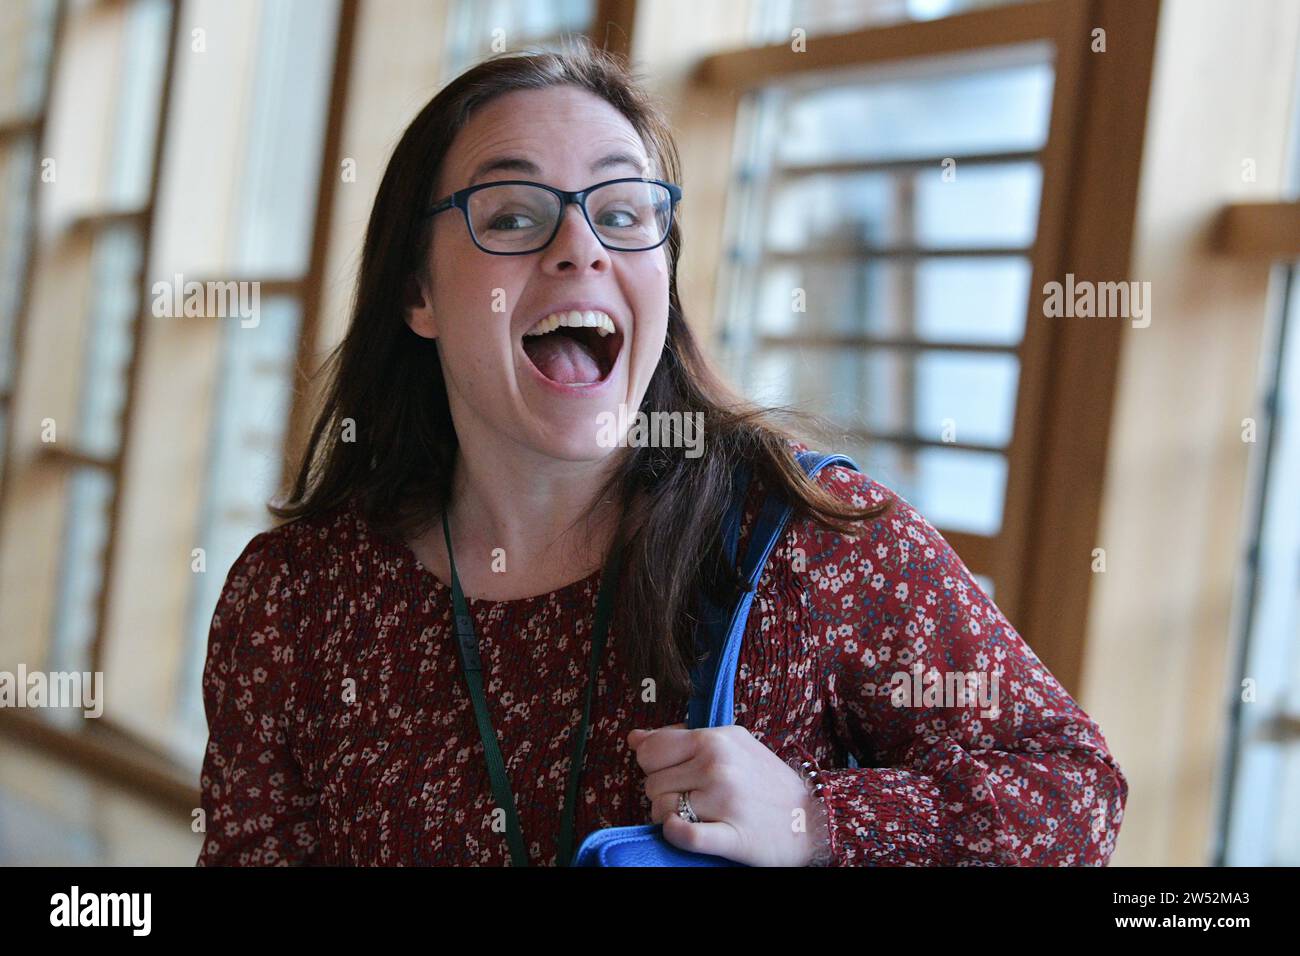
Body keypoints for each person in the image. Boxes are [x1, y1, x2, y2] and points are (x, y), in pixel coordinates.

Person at [196, 38, 1127, 867]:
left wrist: (818, 821)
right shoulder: (295, 599)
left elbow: (1075, 793)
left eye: (623, 210)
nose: (580, 247)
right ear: (418, 294)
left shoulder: (806, 540)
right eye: (514, 216)